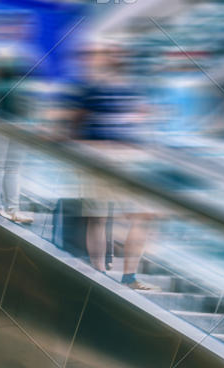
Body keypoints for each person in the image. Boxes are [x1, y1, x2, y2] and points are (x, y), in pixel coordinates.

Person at [70, 42, 156, 290]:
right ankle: (106, 273)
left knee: (127, 216)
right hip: (104, 157)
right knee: (100, 217)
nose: (119, 58)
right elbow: (77, 122)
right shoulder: (95, 88)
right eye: (115, 54)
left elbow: (77, 122)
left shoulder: (132, 89)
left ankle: (123, 275)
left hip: (122, 157)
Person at [0, 36, 34, 225]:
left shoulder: (10, 80)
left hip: (15, 126)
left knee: (10, 167)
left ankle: (11, 208)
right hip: (0, 126)